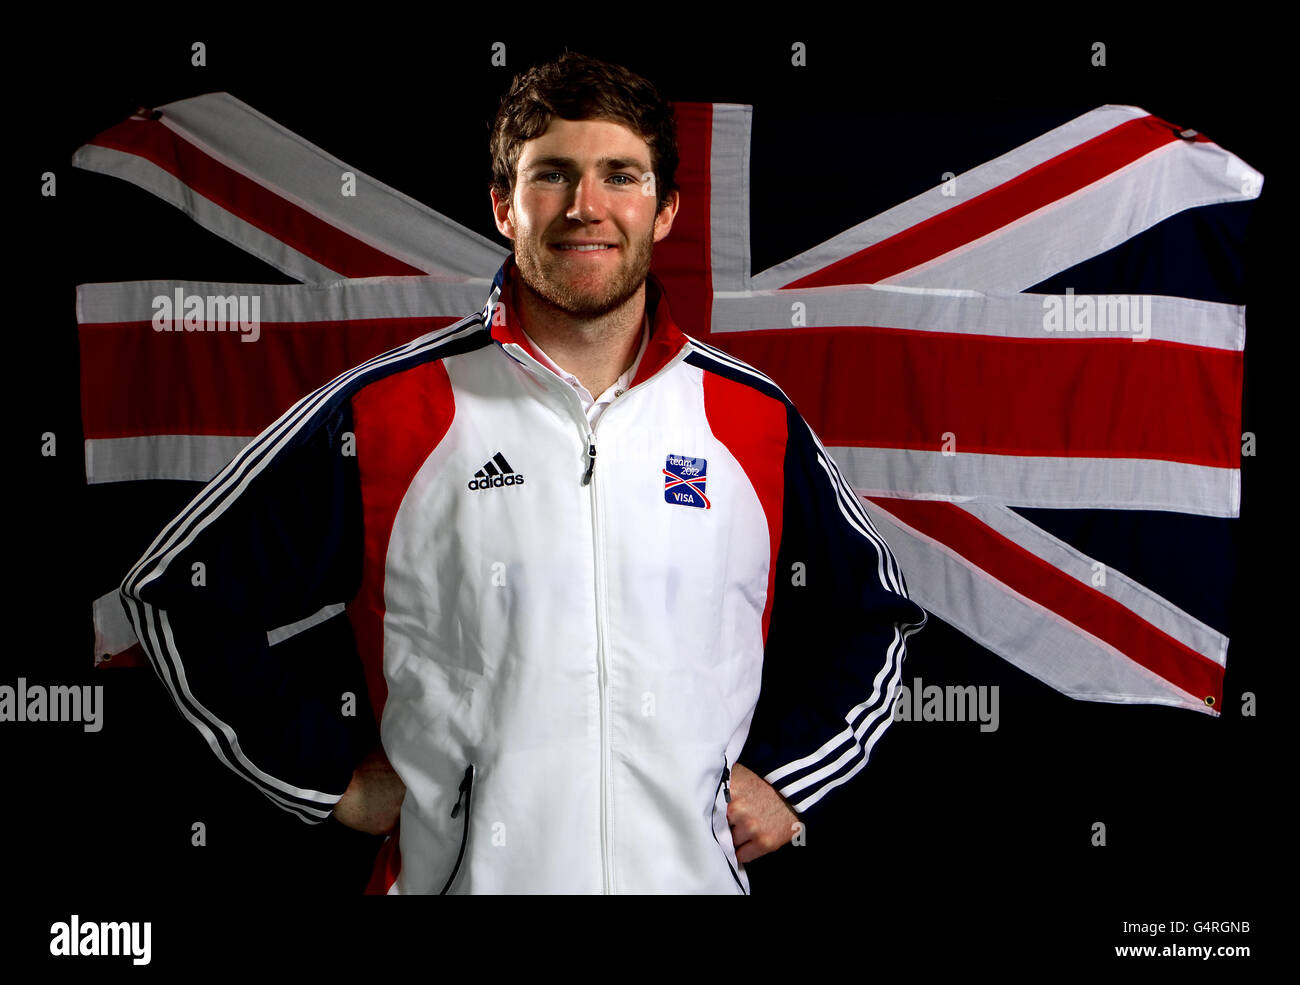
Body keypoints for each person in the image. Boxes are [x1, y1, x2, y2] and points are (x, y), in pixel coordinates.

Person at [120, 51, 927, 894]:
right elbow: (177, 590)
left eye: (622, 176)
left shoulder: (751, 418)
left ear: (665, 211)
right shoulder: (388, 411)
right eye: (553, 176)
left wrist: (788, 779)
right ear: (505, 206)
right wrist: (328, 781)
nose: (587, 207)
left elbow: (872, 615)